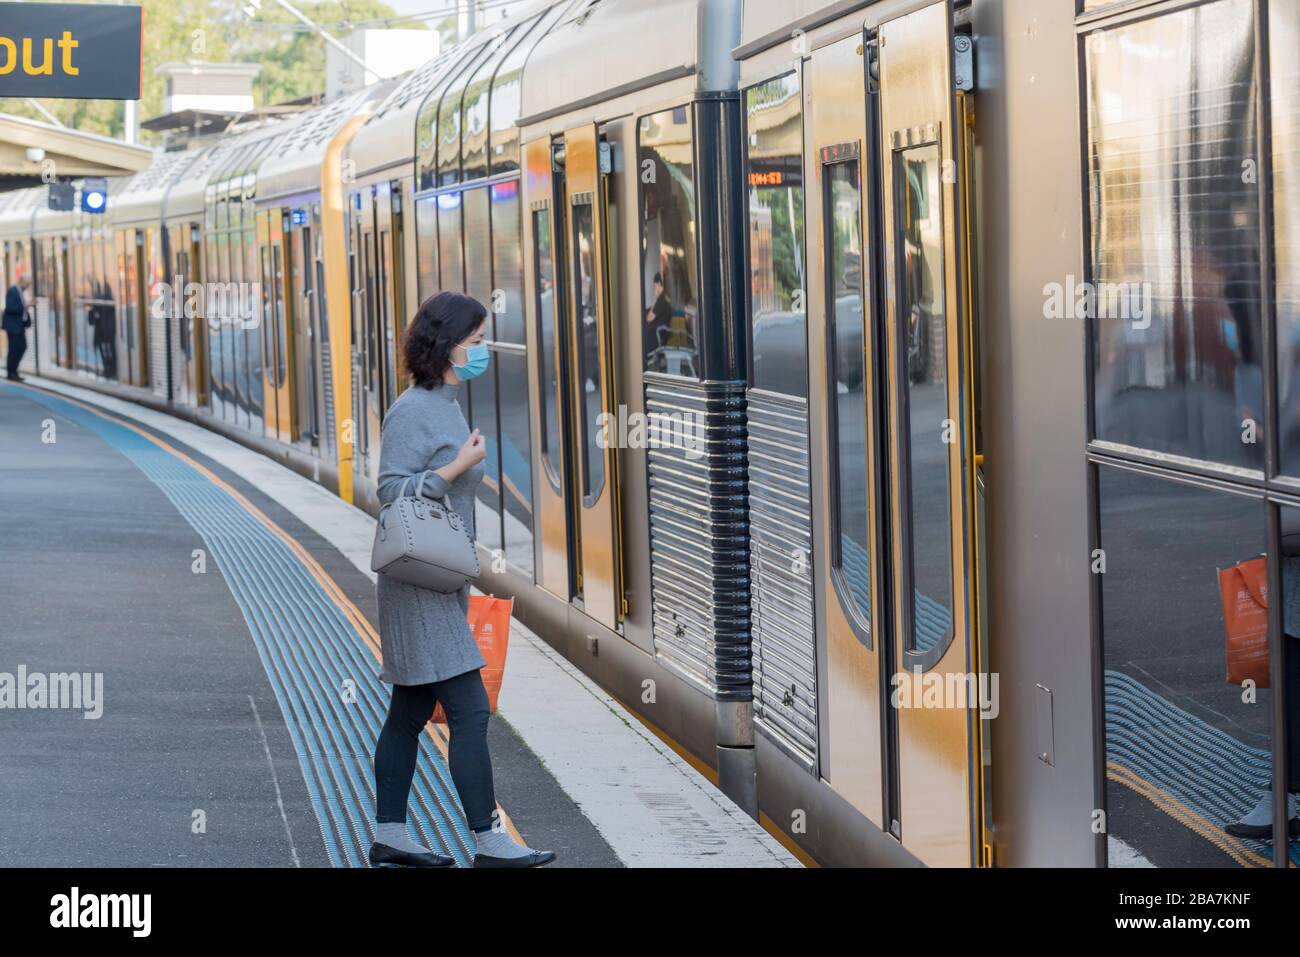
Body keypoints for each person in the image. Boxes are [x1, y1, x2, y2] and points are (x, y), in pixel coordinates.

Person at [369, 291, 555, 869]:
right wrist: (454, 468)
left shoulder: (445, 404)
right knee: (471, 712)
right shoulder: (412, 409)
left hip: (440, 581)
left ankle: (391, 838)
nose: (482, 351)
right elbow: (389, 492)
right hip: (418, 587)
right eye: (475, 342)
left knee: (408, 712)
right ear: (447, 346)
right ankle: (488, 840)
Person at [3, 265, 32, 381]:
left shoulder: (21, 292)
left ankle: (14, 370)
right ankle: (11, 373)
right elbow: (10, 308)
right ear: (22, 281)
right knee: (14, 349)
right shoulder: (12, 291)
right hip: (13, 326)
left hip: (20, 326)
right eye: (27, 283)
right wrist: (26, 306)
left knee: (22, 347)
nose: (28, 286)